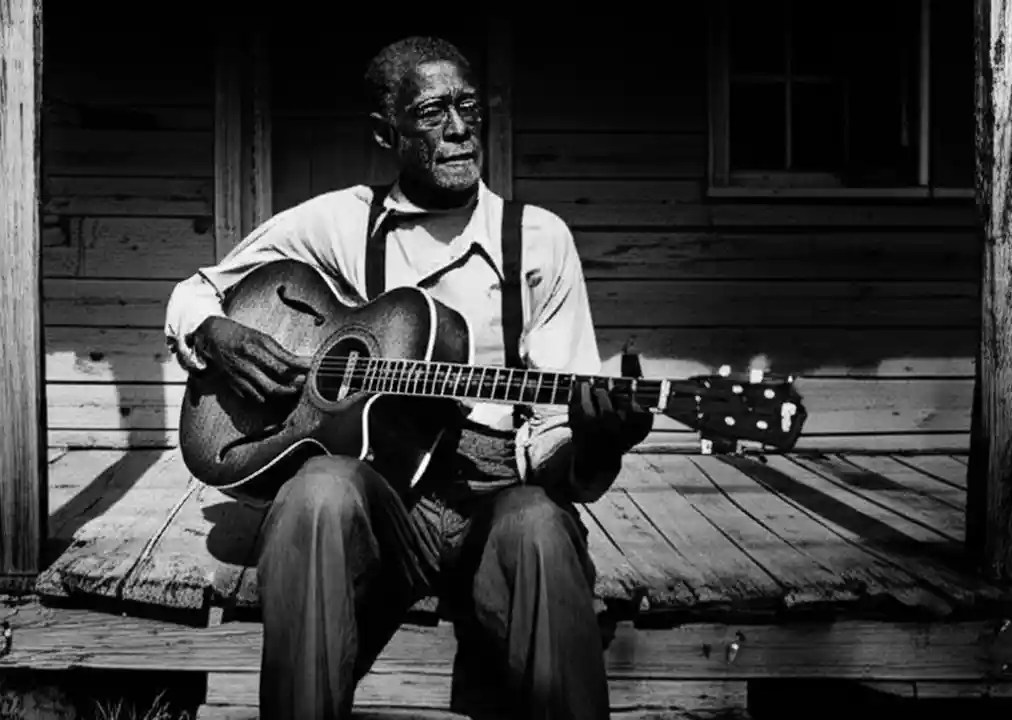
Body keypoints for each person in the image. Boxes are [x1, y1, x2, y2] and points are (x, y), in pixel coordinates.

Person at [163, 35, 654, 720]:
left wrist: (598, 442)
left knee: (540, 526)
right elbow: (195, 293)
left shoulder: (538, 241)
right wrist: (218, 336)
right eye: (431, 113)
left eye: (468, 108)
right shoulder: (337, 222)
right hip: (386, 503)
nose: (458, 130)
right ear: (385, 132)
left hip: (498, 494)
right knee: (313, 494)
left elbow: (553, 445)